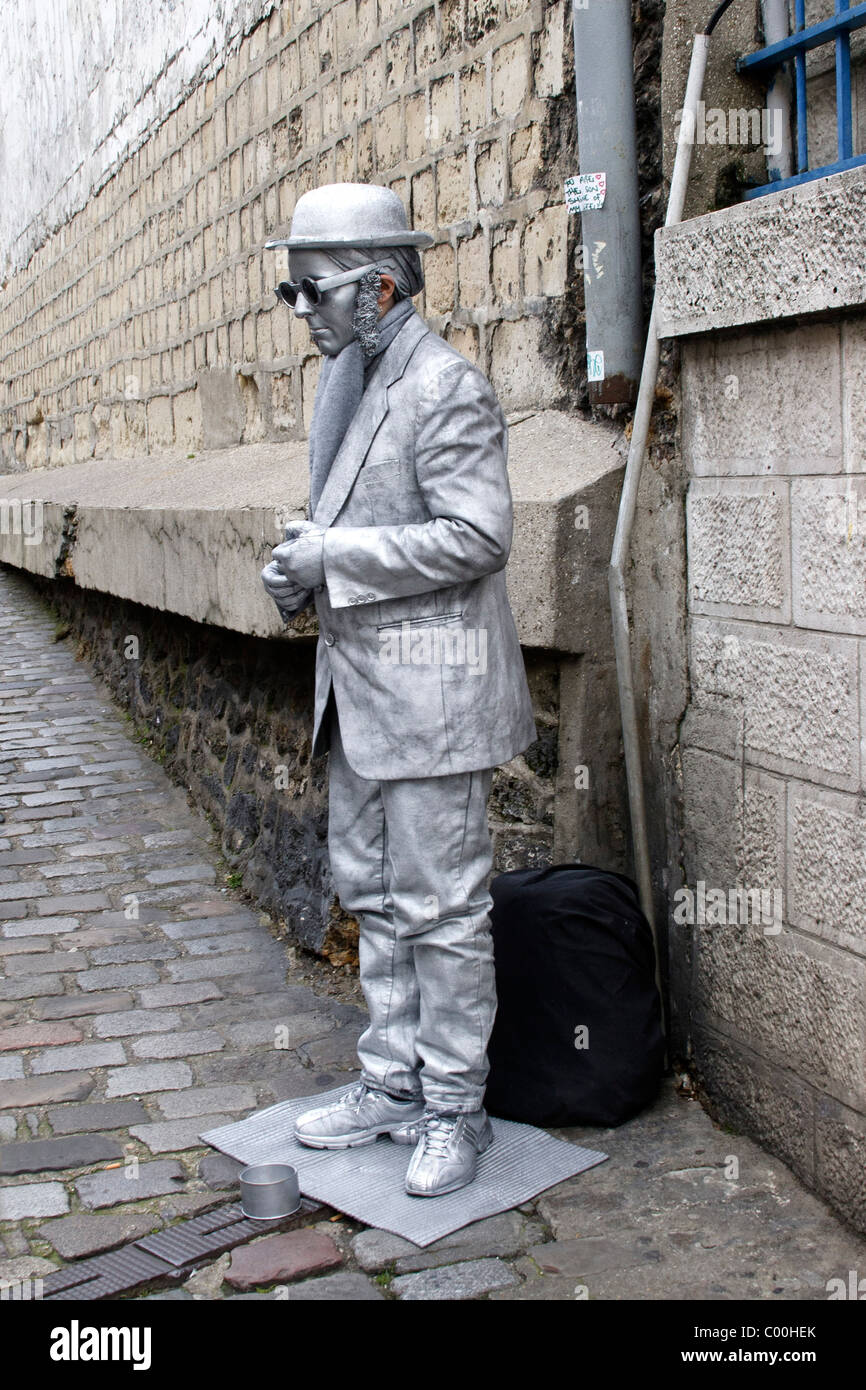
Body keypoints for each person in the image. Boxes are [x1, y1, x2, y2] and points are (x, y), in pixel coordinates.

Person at [260, 182, 536, 1197]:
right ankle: (389, 1081)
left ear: (376, 289)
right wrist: (298, 573)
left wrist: (338, 555)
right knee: (375, 897)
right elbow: (336, 527)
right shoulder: (342, 380)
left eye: (312, 289)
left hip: (431, 702)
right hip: (360, 694)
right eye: (290, 290)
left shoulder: (445, 386)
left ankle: (453, 1108)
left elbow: (477, 536)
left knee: (442, 909)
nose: (300, 310)